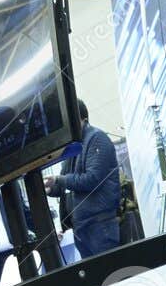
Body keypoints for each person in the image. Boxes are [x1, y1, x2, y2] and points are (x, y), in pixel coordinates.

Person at [45, 99, 120, 260]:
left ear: (80, 117)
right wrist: (50, 188)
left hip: (100, 226)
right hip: (82, 228)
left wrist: (59, 179)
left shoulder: (97, 138)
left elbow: (91, 180)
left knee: (112, 277)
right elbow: (65, 183)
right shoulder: (73, 146)